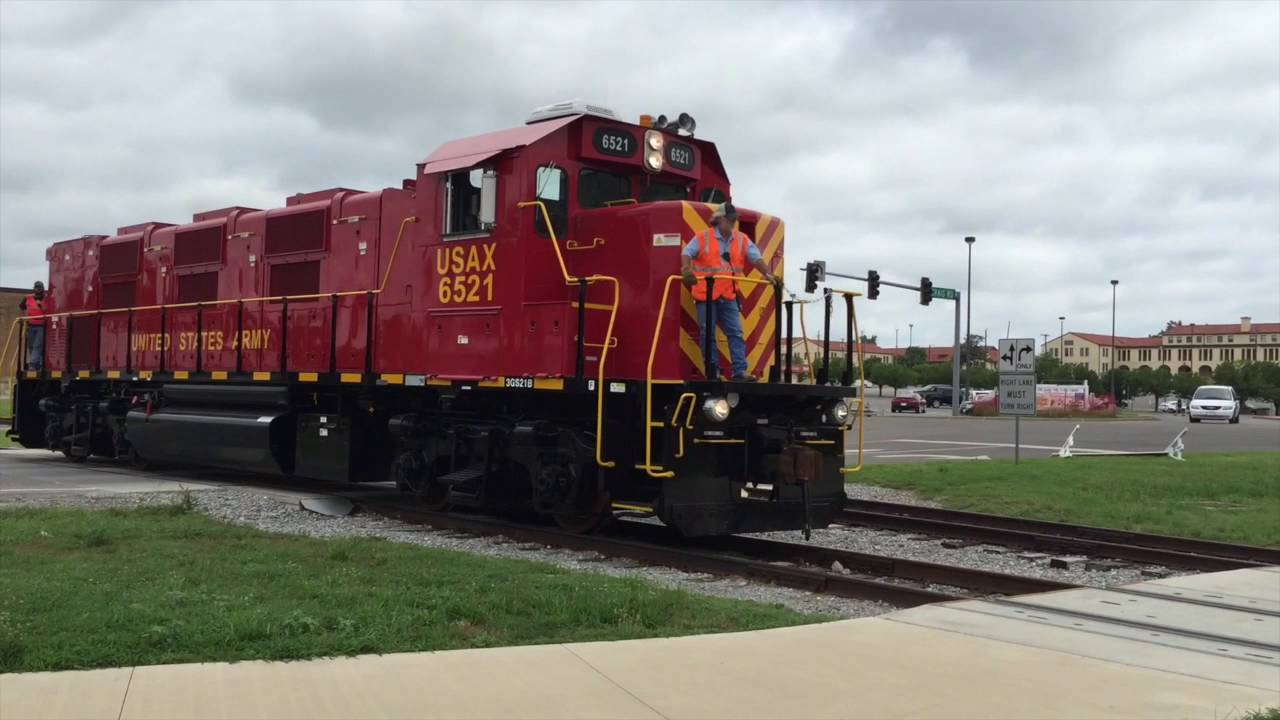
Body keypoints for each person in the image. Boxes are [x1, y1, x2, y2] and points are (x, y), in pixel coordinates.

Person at [681, 202, 776, 381]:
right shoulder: (703, 238)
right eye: (730, 221)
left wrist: (768, 274)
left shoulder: (741, 239)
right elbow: (687, 252)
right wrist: (685, 269)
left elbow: (756, 258)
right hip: (706, 295)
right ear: (720, 220)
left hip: (729, 295)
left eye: (734, 221)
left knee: (736, 332)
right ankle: (713, 371)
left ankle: (739, 372)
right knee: (707, 332)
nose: (733, 224)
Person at [18, 281, 48, 371]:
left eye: (39, 288)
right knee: (31, 346)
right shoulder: (28, 297)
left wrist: (40, 305)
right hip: (30, 325)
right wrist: (24, 316)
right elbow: (21, 306)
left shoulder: (47, 298)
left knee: (37, 346)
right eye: (36, 287)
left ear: (42, 289)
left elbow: (48, 310)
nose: (37, 289)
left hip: (41, 326)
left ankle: (33, 365)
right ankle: (39, 365)